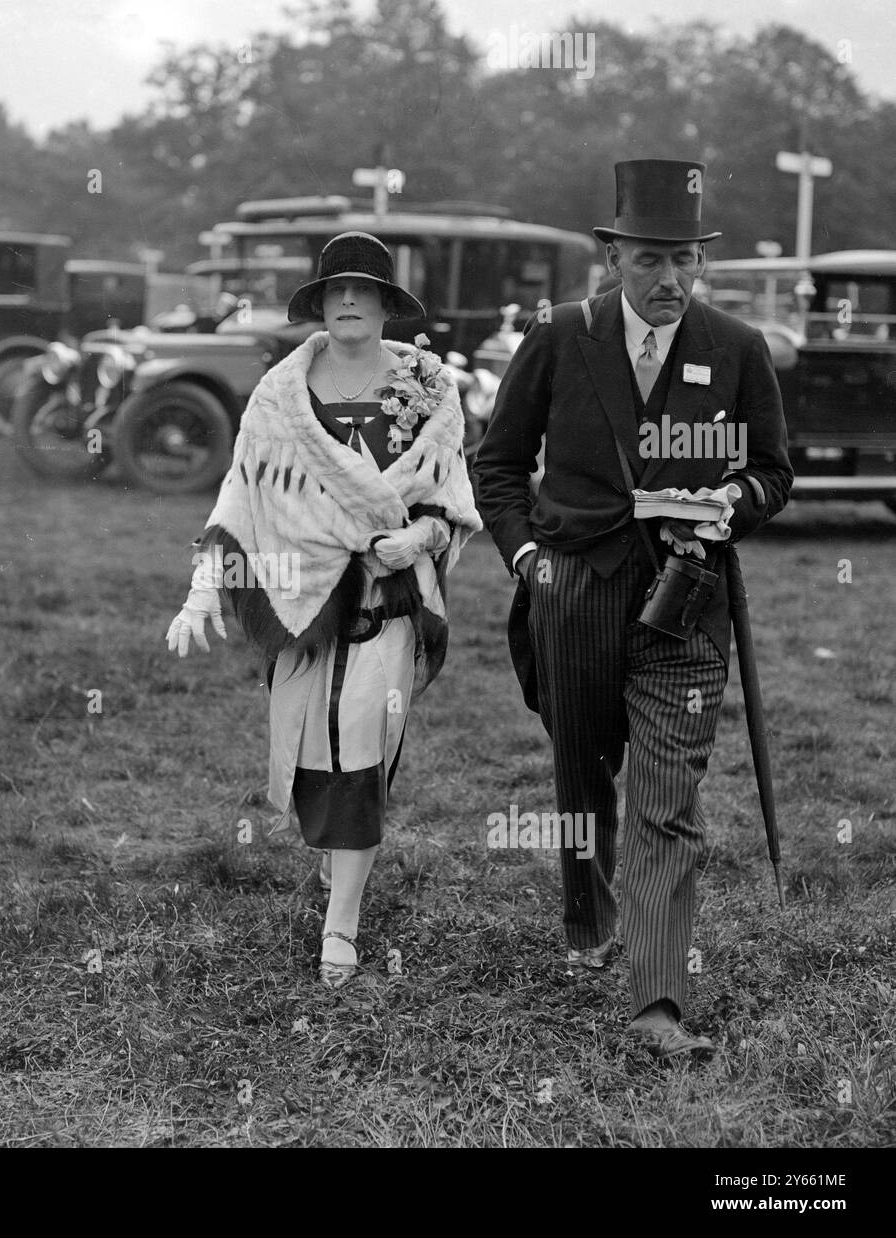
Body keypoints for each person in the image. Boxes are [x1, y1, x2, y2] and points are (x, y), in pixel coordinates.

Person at [472, 160, 793, 1058]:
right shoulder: (557, 338)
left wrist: (736, 503)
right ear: (612, 257)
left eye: (685, 260)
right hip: (571, 591)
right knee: (582, 773)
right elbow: (496, 465)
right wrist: (528, 558)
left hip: (688, 600)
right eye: (650, 260)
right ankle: (590, 916)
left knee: (666, 799)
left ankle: (656, 999)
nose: (670, 280)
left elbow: (774, 469)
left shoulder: (736, 347)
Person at [166, 232, 481, 987]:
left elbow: (452, 499)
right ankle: (337, 864)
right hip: (301, 597)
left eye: (363, 291)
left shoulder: (431, 391)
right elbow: (242, 494)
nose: (348, 303)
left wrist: (419, 536)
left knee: (363, 747)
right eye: (335, 291)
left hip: (389, 600)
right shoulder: (280, 394)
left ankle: (343, 919)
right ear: (319, 303)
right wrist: (204, 588)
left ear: (384, 306)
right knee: (312, 752)